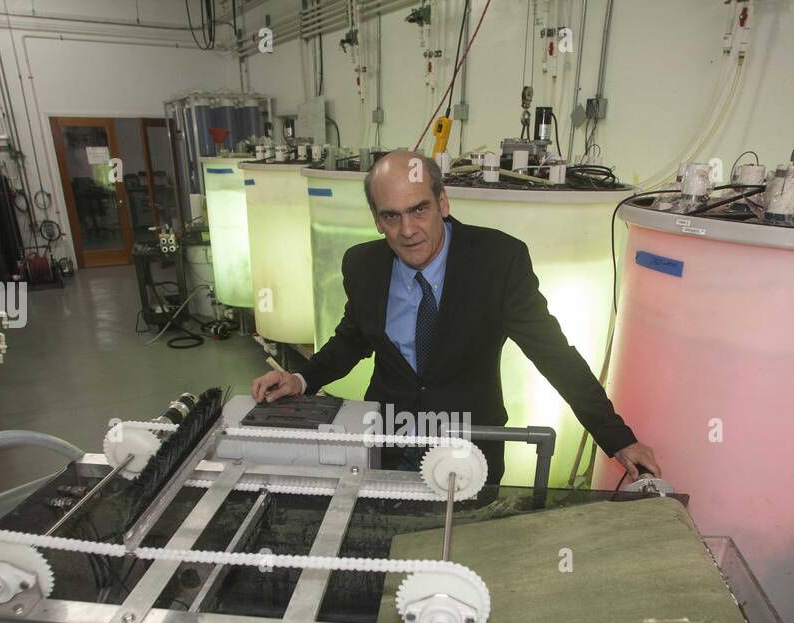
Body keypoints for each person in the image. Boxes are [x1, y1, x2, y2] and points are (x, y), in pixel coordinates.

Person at [251, 150, 659, 485]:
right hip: (388, 443)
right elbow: (351, 339)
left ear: (443, 203)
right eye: (391, 216)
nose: (408, 229)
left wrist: (618, 439)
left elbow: (554, 355)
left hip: (470, 447)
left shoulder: (498, 261)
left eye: (419, 209)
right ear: (376, 219)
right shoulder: (362, 265)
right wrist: (301, 379)